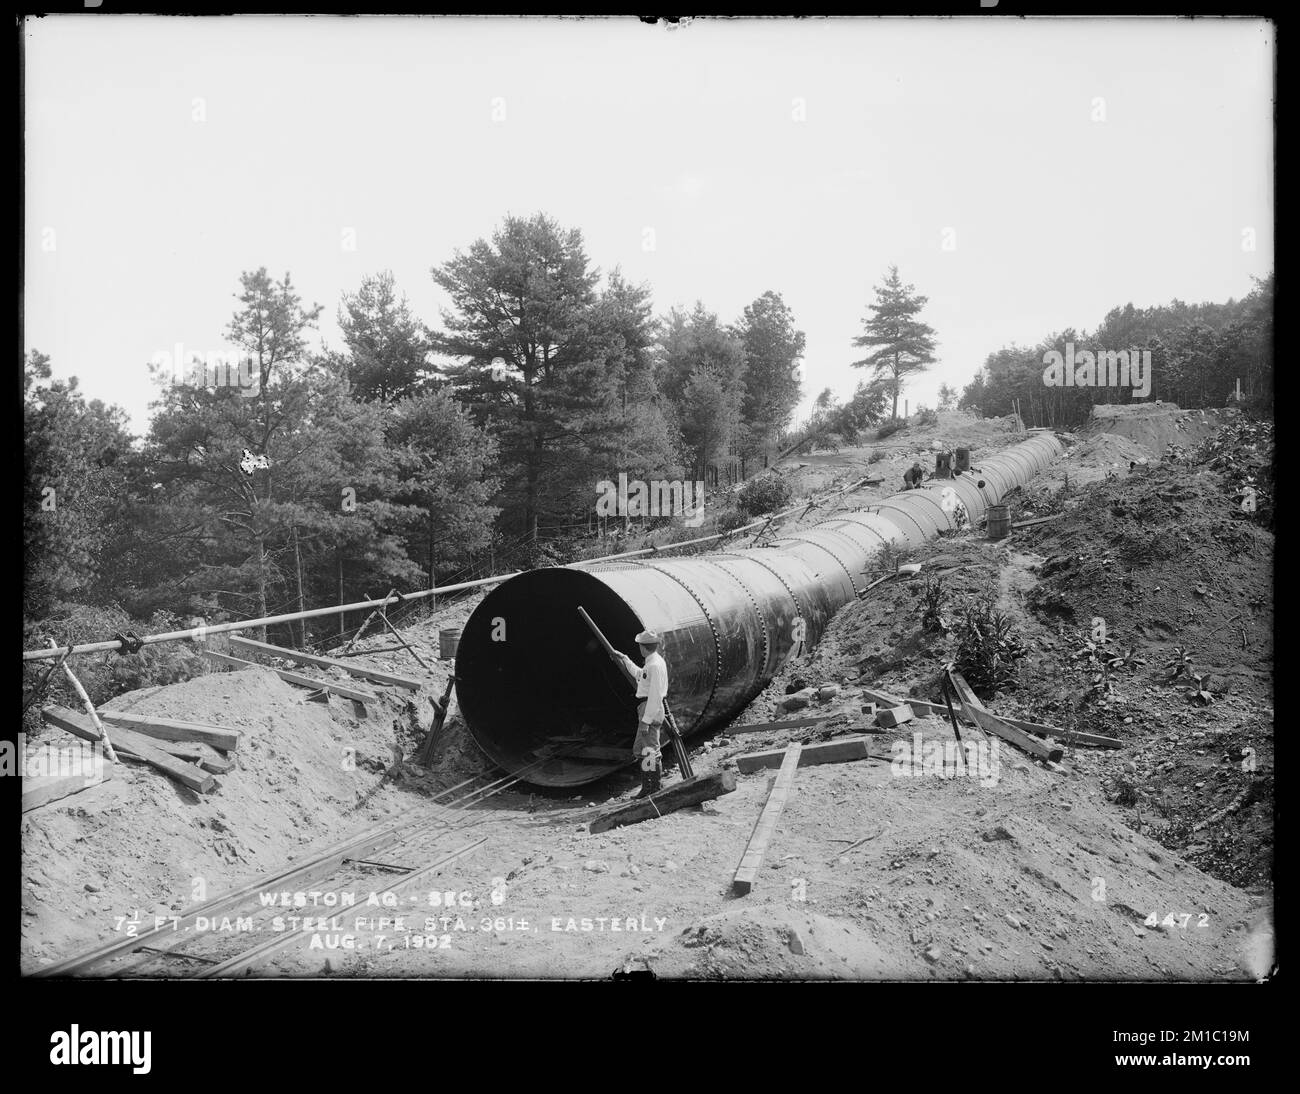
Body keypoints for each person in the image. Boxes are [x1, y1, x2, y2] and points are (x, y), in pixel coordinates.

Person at [616, 630, 670, 798]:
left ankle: (652, 788)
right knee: (641, 749)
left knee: (649, 750)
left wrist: (646, 721)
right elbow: (640, 675)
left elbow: (654, 695)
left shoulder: (654, 665)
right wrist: (625, 659)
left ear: (642, 647)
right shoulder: (653, 662)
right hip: (648, 708)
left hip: (650, 708)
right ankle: (650, 785)